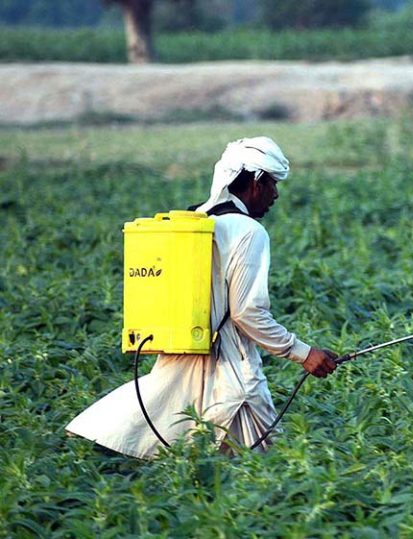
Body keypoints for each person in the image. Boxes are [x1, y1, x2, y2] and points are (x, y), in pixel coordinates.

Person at [66, 136, 338, 459]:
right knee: (264, 464)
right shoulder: (249, 233)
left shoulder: (199, 221)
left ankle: (92, 453)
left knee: (166, 438)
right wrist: (303, 353)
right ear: (255, 183)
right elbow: (247, 313)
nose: (275, 194)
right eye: (272, 185)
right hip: (232, 369)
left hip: (189, 352)